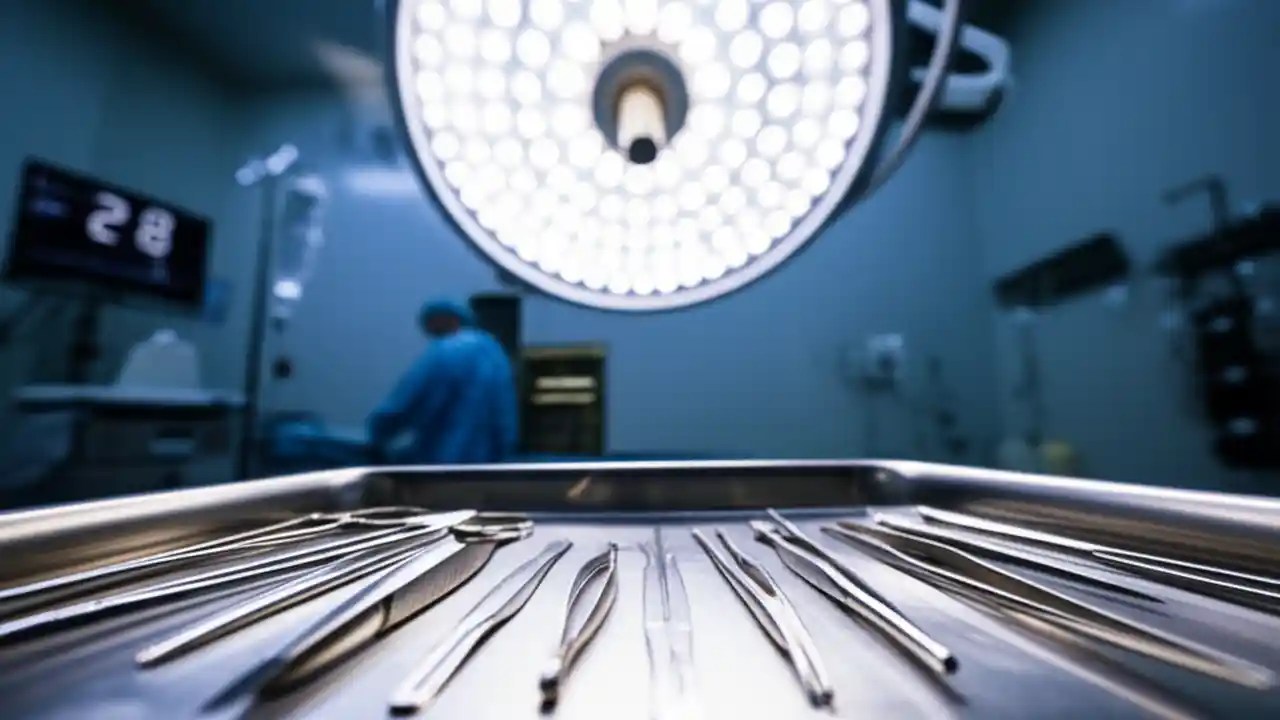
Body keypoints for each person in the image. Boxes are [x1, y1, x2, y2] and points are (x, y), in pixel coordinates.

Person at [367, 298, 517, 464]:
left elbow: (404, 402)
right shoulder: (493, 351)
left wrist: (376, 436)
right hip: (487, 468)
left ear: (443, 320)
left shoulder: (444, 351)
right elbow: (505, 419)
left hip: (442, 465)